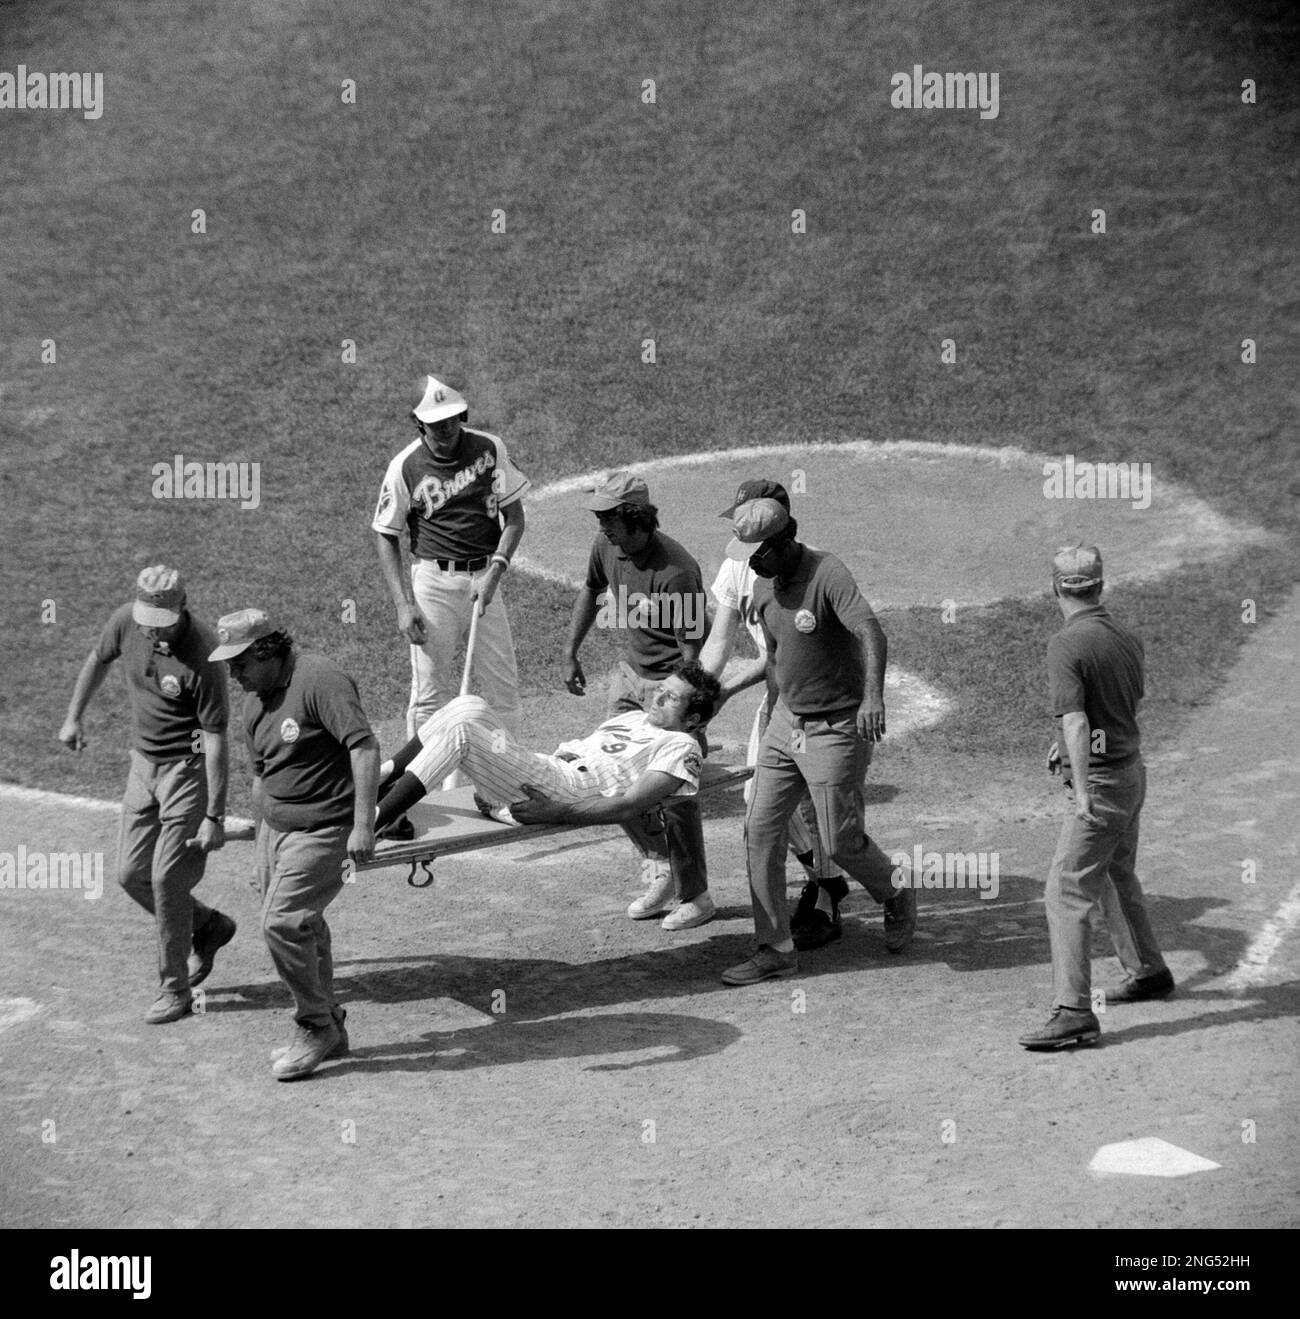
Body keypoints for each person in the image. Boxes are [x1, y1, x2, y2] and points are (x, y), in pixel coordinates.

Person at [721, 499, 917, 986]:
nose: (750, 563)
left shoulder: (828, 573)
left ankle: (895, 891)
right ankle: (774, 948)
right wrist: (766, 713)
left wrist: (873, 698)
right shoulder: (763, 583)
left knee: (840, 842)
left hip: (836, 725)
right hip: (787, 723)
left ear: (785, 542)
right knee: (760, 831)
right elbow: (775, 655)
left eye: (757, 553)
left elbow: (871, 631)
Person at [58, 565, 234, 1024]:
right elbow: (99, 659)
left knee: (166, 881)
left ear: (182, 609)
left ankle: (174, 989)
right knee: (130, 873)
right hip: (143, 766)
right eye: (146, 620)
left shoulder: (204, 655)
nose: (150, 630)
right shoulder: (125, 622)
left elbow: (215, 738)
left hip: (187, 770)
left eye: (161, 622)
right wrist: (75, 716)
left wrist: (213, 815)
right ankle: (208, 925)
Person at [211, 609, 379, 1081]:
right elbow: (262, 778)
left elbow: (363, 747)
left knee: (282, 923)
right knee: (301, 923)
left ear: (266, 651)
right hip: (278, 830)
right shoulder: (255, 703)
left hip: (326, 826)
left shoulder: (320, 679)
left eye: (239, 663)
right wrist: (260, 847)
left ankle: (314, 1026)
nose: (233, 674)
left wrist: (362, 824)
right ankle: (332, 1026)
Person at [1019, 545, 1173, 1051]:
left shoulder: (1067, 644)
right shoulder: (1125, 637)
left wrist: (1081, 788)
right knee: (1116, 873)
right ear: (1101, 585)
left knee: (1065, 892)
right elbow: (1115, 707)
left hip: (1103, 786)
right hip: (1132, 774)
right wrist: (1065, 747)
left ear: (1054, 587)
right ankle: (1147, 969)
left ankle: (1074, 1011)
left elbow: (1079, 719)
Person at [561, 472, 715, 931]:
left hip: (669, 687)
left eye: (609, 517)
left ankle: (697, 895)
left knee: (675, 791)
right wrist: (571, 651)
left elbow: (692, 660)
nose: (601, 525)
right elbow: (591, 591)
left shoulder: (677, 571)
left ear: (635, 519)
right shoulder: (606, 545)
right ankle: (660, 866)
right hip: (627, 678)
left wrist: (685, 722)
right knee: (612, 776)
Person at [700, 478, 849, 951]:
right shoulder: (737, 565)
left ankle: (828, 897)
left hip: (816, 704)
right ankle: (823, 875)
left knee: (809, 803)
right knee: (757, 801)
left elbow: (790, 655)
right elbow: (719, 642)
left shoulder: (810, 571)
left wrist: (722, 693)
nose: (740, 532)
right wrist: (699, 695)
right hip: (775, 697)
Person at [374, 662, 719, 834]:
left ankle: (377, 818)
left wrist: (557, 813)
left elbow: (628, 807)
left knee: (464, 732)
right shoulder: (636, 719)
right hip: (547, 772)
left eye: (671, 698)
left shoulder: (682, 744)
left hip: (565, 794)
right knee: (469, 705)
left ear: (693, 720)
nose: (657, 697)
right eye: (661, 689)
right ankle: (382, 779)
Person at [373, 374, 529, 741]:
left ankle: (509, 782)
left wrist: (496, 570)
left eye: (450, 418)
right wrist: (402, 604)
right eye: (434, 422)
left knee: (503, 688)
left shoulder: (491, 448)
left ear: (463, 414)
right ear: (418, 422)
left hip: (485, 580)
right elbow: (385, 534)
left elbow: (515, 518)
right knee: (429, 695)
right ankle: (422, 787)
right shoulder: (405, 466)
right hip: (433, 585)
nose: (444, 428)